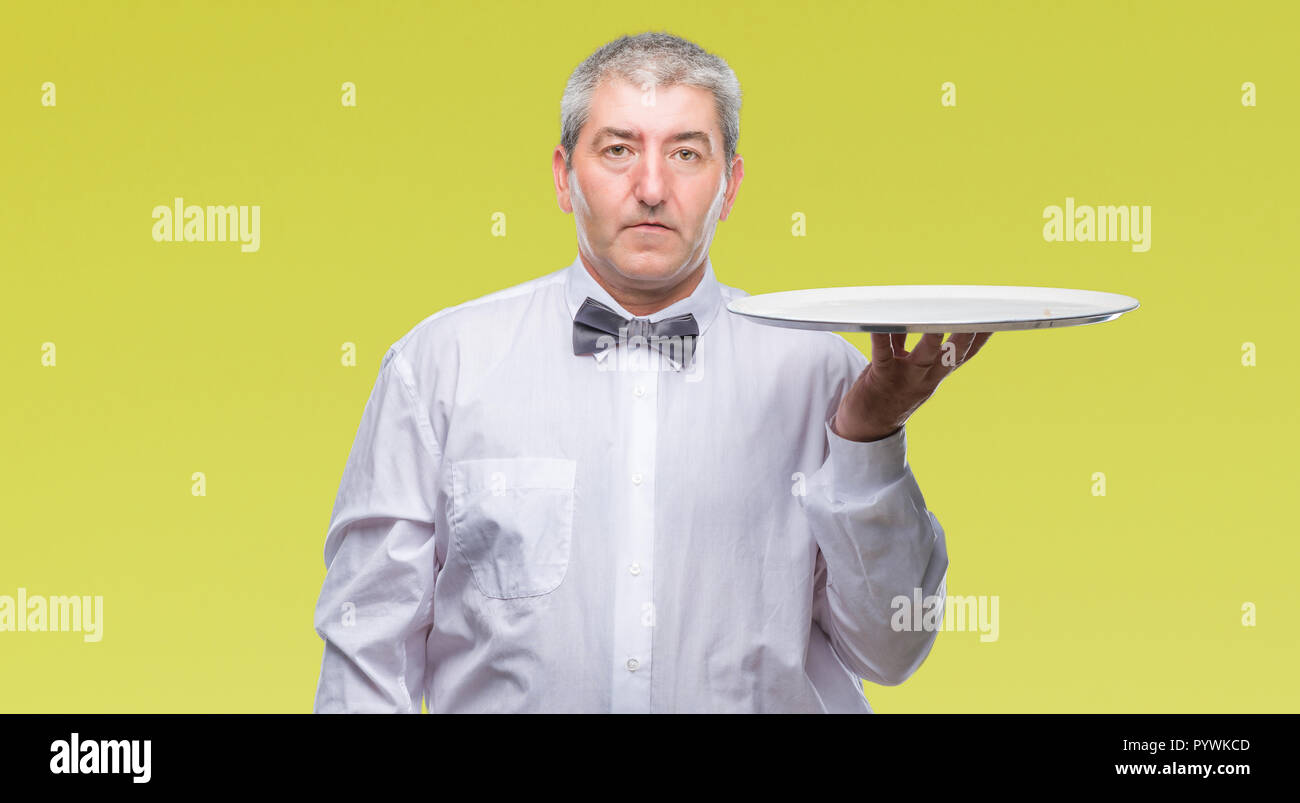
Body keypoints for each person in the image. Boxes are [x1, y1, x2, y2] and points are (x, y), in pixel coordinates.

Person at [312, 31, 991, 713]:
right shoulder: (439, 366)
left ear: (729, 185)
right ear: (562, 176)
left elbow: (892, 652)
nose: (652, 187)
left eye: (687, 153)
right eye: (617, 149)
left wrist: (869, 437)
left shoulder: (823, 372)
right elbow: (365, 649)